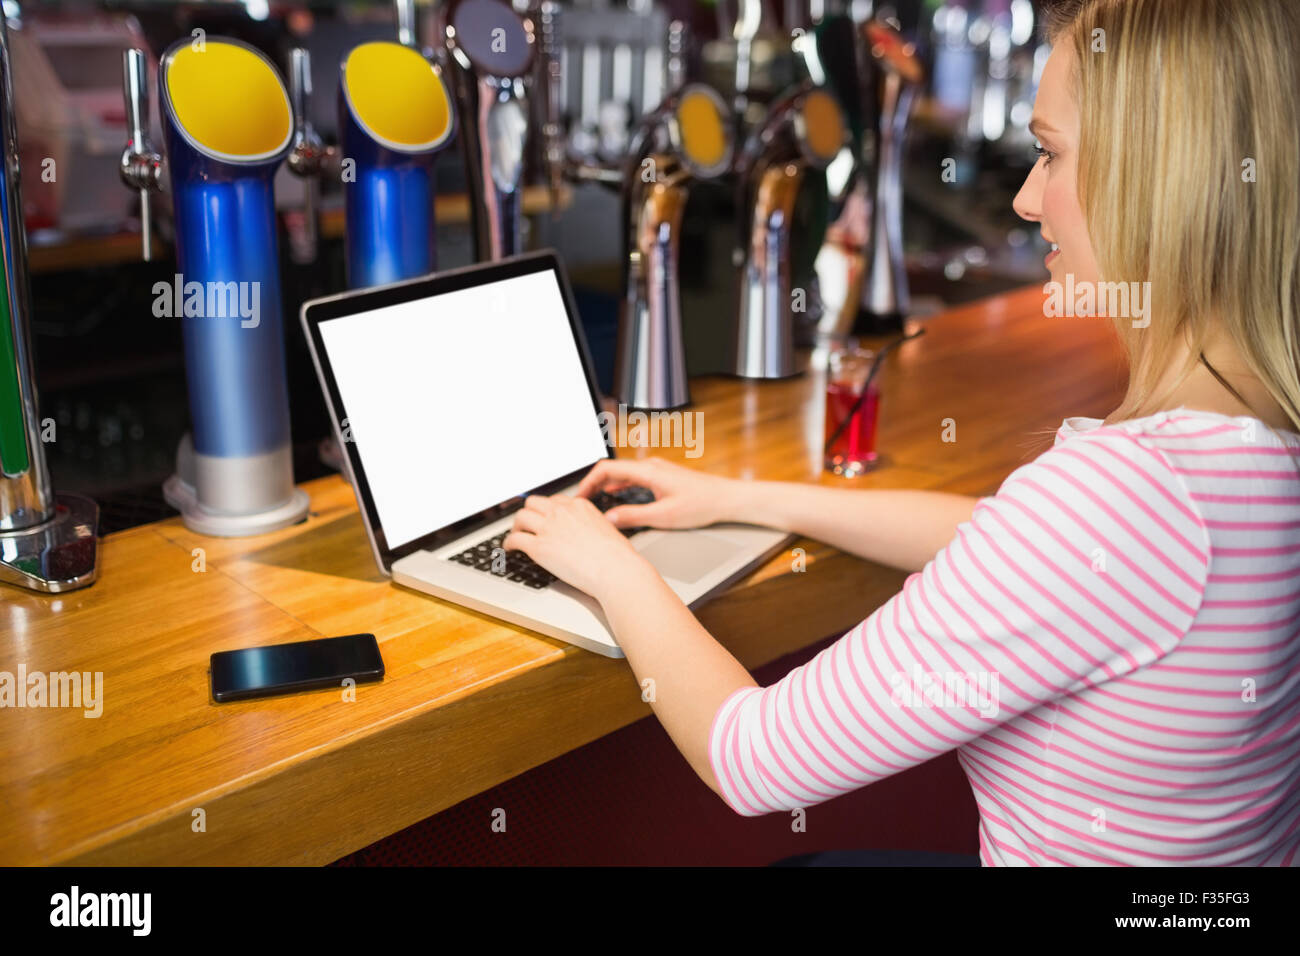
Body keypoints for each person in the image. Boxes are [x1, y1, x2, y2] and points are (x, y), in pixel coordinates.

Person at [504, 0, 1300, 865]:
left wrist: (610, 568)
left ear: (1165, 173)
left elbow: (753, 758)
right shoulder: (1250, 437)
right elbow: (1011, 542)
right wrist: (741, 496)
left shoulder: (1115, 498)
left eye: (1051, 152)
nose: (1029, 199)